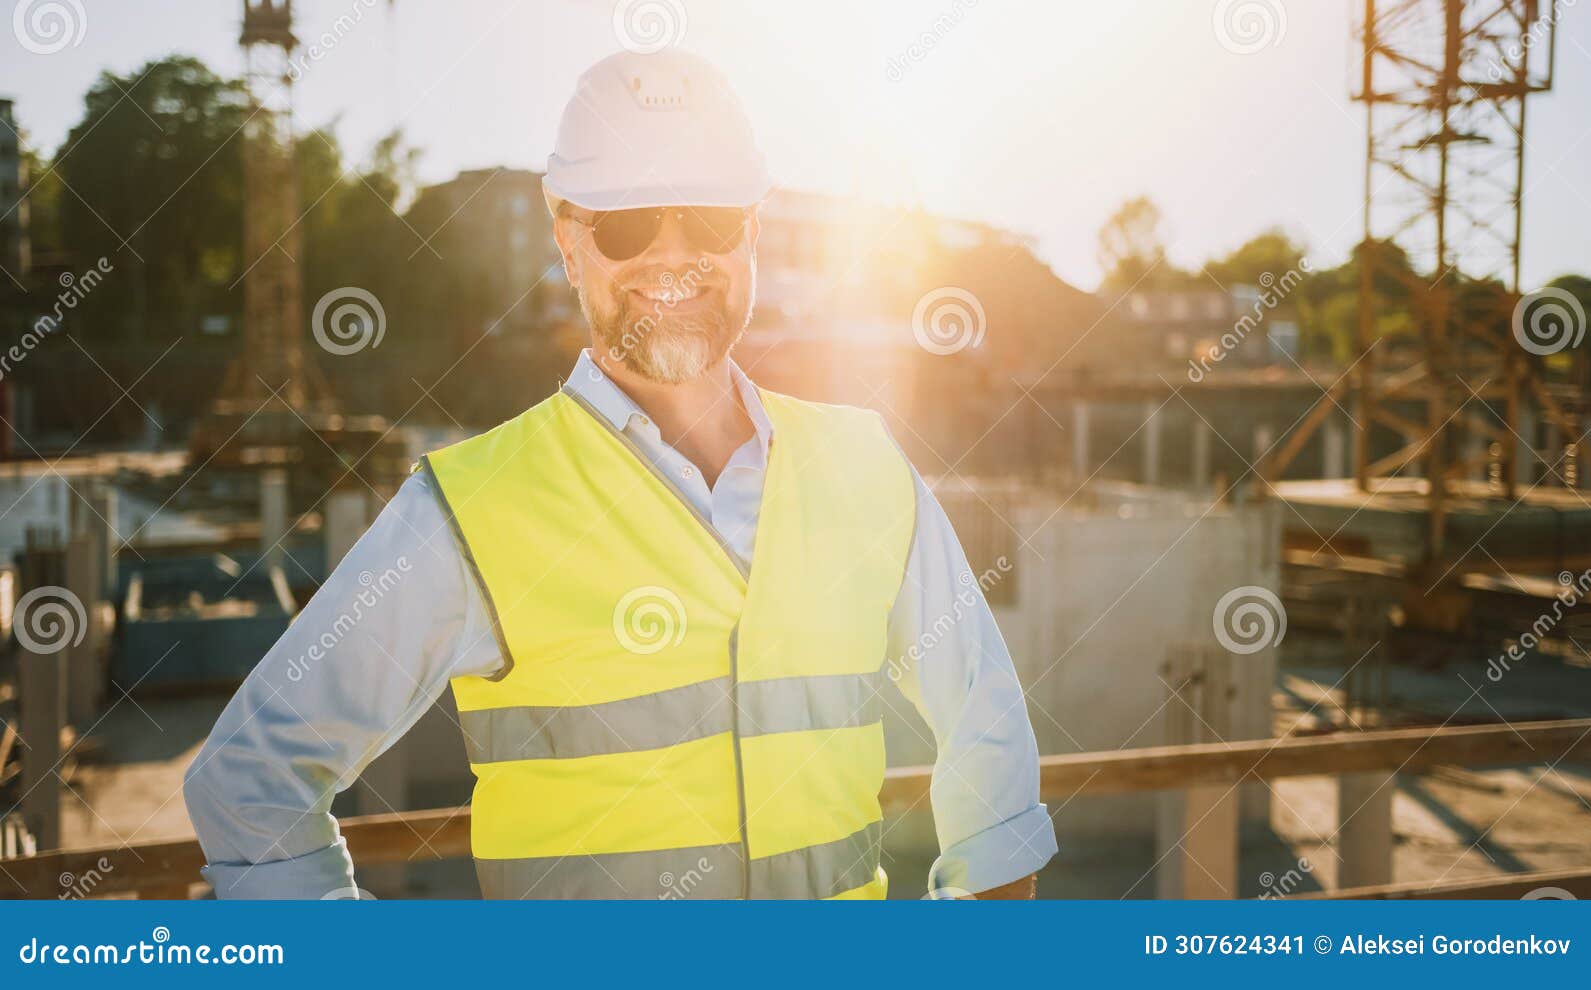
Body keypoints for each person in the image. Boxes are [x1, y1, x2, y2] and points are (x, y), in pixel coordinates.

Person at [184, 48, 1055, 900]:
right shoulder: (472, 510)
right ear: (570, 246)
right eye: (627, 224)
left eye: (708, 219)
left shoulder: (863, 464)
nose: (672, 256)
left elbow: (987, 723)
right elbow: (251, 780)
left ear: (752, 234)